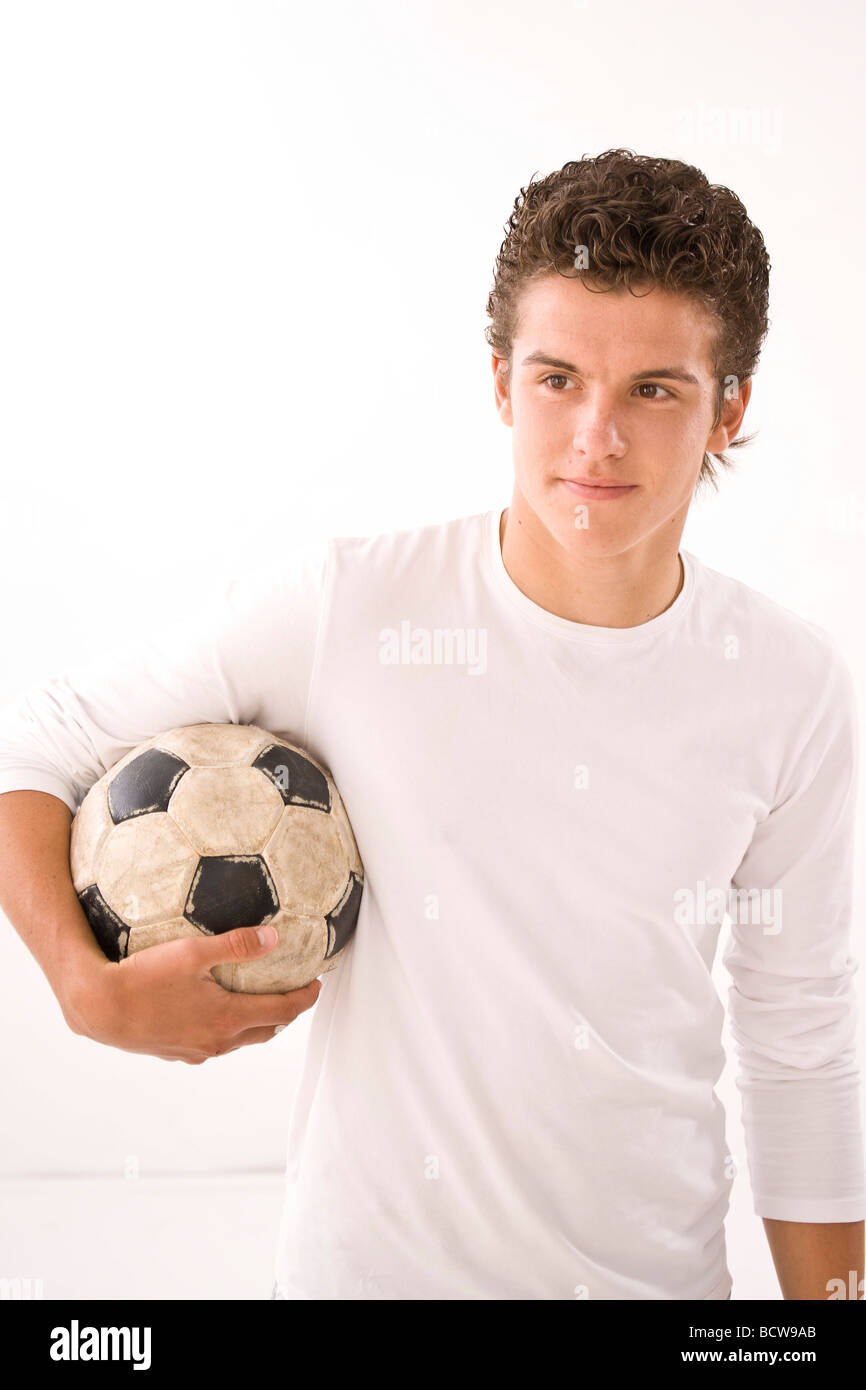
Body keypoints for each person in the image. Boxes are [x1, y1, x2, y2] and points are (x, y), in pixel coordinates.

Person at [0, 148, 864, 1301]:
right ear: (501, 383)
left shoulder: (786, 684)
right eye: (557, 379)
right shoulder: (348, 609)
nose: (593, 437)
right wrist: (82, 984)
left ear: (729, 408)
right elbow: (36, 742)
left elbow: (798, 1036)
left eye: (652, 389)